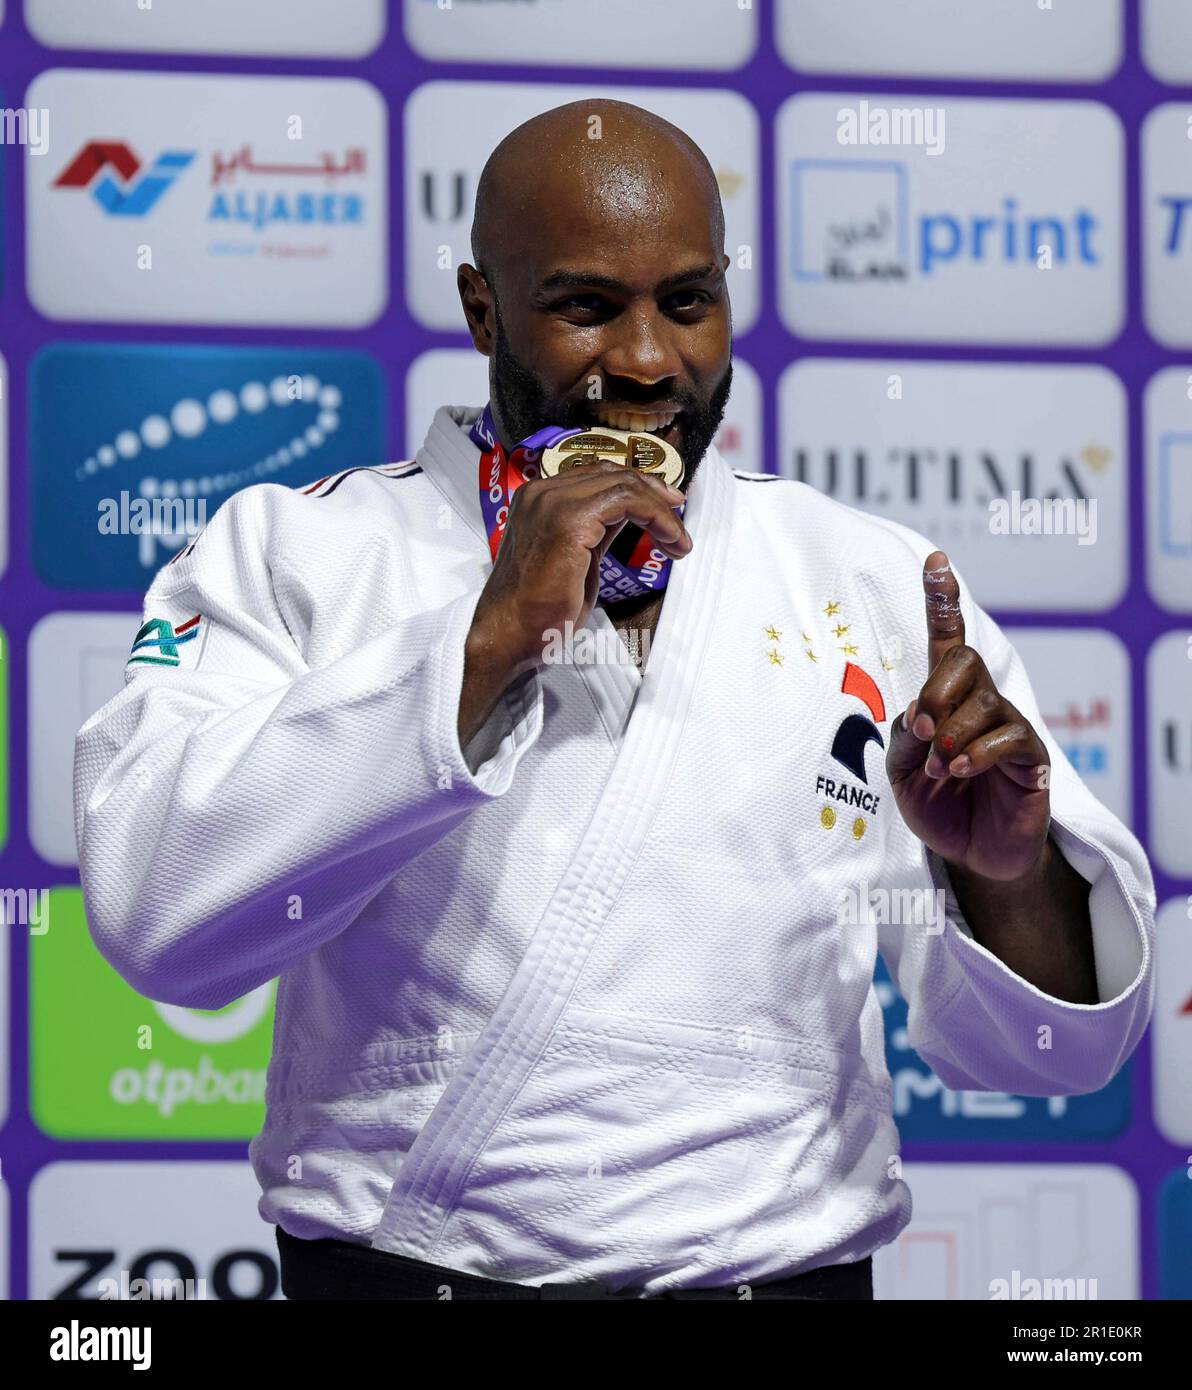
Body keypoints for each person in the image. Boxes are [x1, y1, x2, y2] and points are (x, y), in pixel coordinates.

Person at [74, 100, 1155, 1301]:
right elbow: (154, 912)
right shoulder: (302, 553)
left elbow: (1052, 1054)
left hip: (781, 1281)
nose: (645, 362)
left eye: (687, 303)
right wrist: (479, 646)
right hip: (410, 1276)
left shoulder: (868, 578)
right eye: (586, 305)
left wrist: (1004, 877)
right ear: (483, 308)